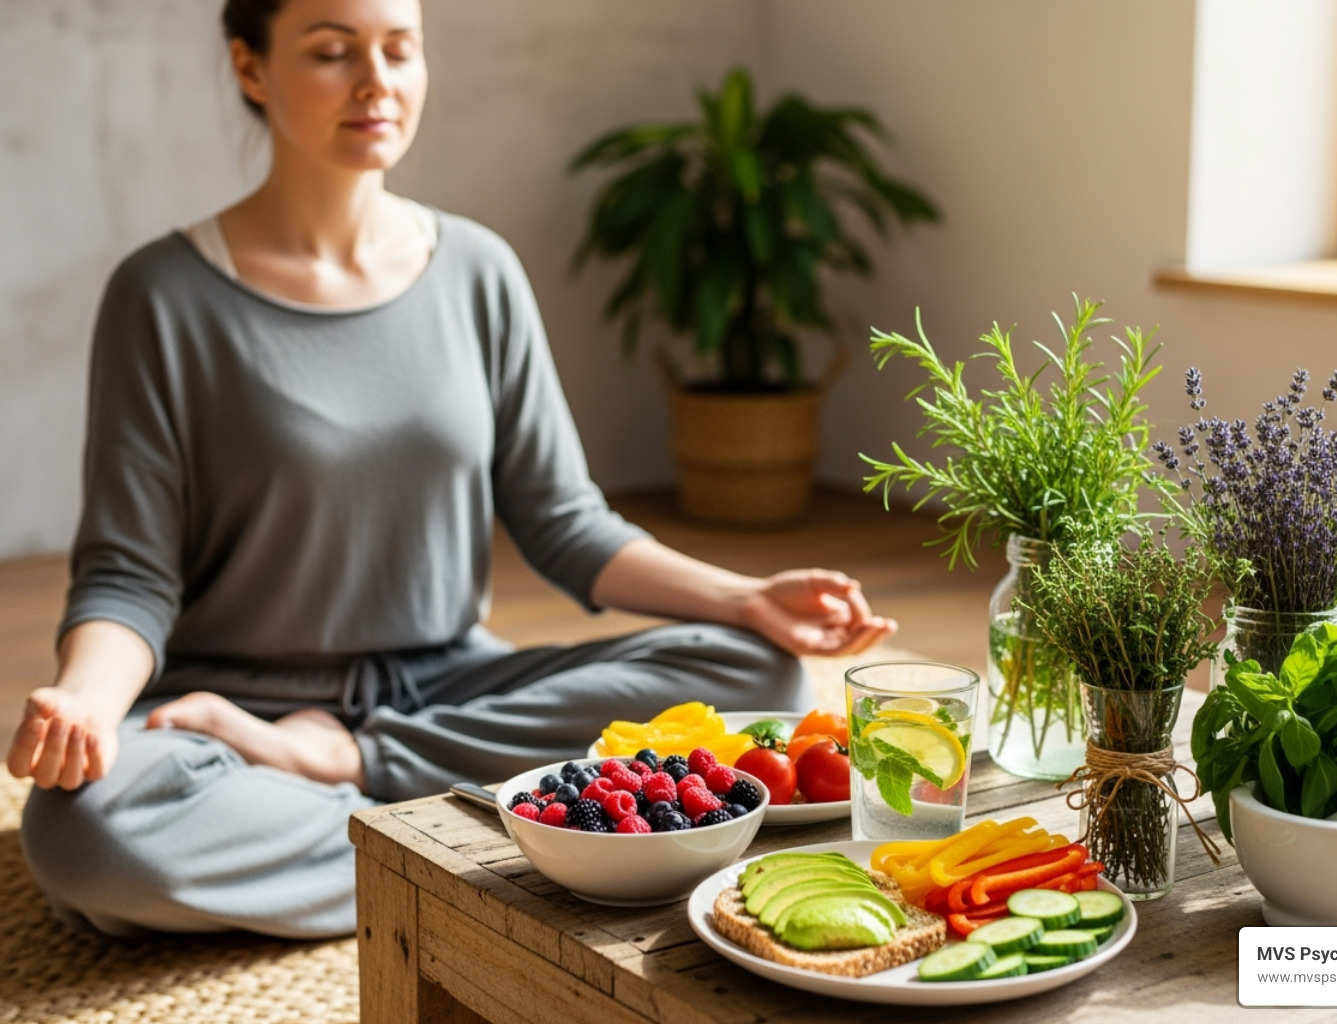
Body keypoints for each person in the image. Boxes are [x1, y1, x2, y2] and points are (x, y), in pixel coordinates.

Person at [6, 0, 894, 939]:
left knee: (756, 672)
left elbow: (564, 523)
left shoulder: (478, 268)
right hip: (231, 712)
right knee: (91, 836)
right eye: (332, 51)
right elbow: (129, 574)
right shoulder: (162, 295)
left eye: (400, 49)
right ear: (251, 67)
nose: (376, 80)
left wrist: (747, 597)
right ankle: (526, 847)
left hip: (451, 697)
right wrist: (85, 704)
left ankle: (358, 783)